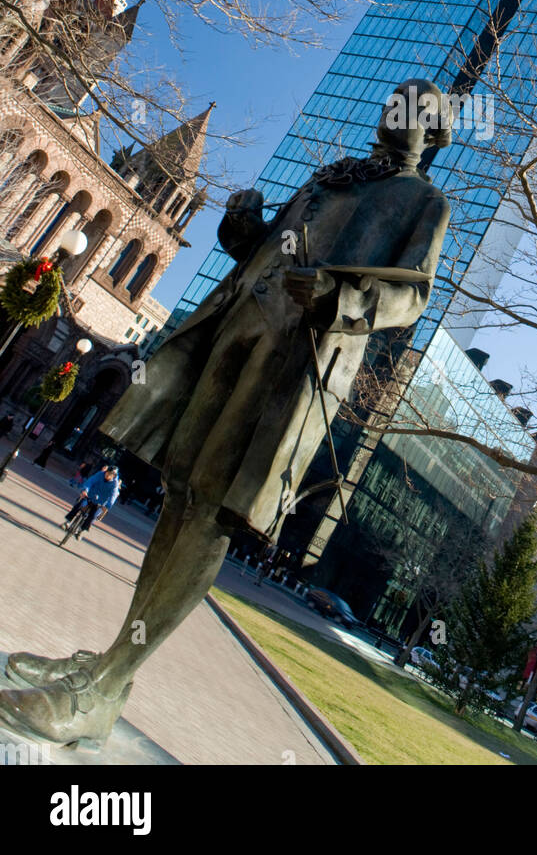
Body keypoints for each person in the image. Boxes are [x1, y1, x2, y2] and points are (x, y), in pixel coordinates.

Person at [0, 78, 452, 749]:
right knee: (181, 487)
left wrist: (338, 296)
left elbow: (410, 295)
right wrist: (243, 231)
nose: (399, 114)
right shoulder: (332, 177)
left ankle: (107, 683)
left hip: (293, 358)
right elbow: (274, 247)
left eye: (418, 112)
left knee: (212, 505)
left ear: (435, 134)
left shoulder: (422, 201)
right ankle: (107, 668)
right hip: (233, 326)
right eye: (396, 101)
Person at [63, 466, 121, 539]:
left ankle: (80, 530)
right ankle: (68, 521)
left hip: (101, 501)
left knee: (92, 516)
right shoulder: (100, 474)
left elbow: (113, 495)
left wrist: (108, 505)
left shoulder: (114, 484)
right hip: (90, 494)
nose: (108, 475)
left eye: (110, 474)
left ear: (114, 476)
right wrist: (85, 490)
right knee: (79, 505)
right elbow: (90, 481)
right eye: (107, 473)